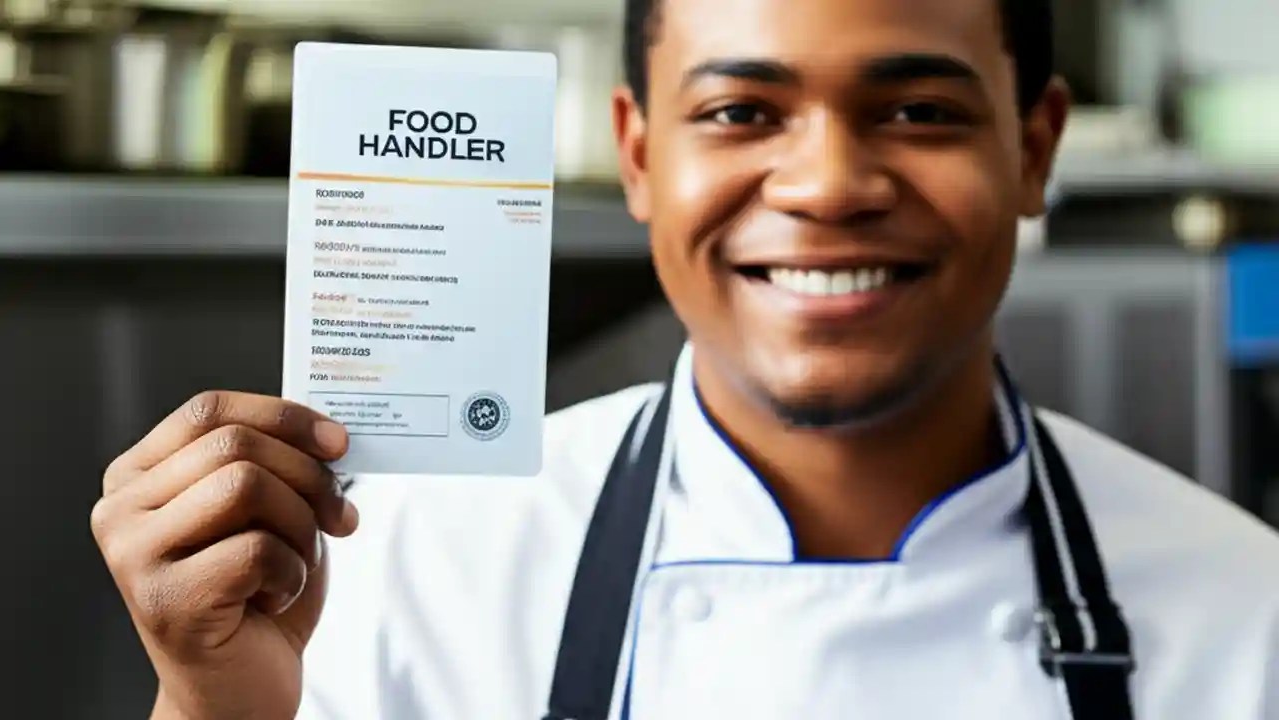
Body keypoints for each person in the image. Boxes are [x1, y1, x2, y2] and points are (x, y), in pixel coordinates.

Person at [91, 0, 1279, 718]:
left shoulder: (1247, 617)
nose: (825, 186)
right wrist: (210, 709)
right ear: (639, 156)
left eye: (917, 111)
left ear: (1032, 150)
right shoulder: (397, 572)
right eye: (738, 113)